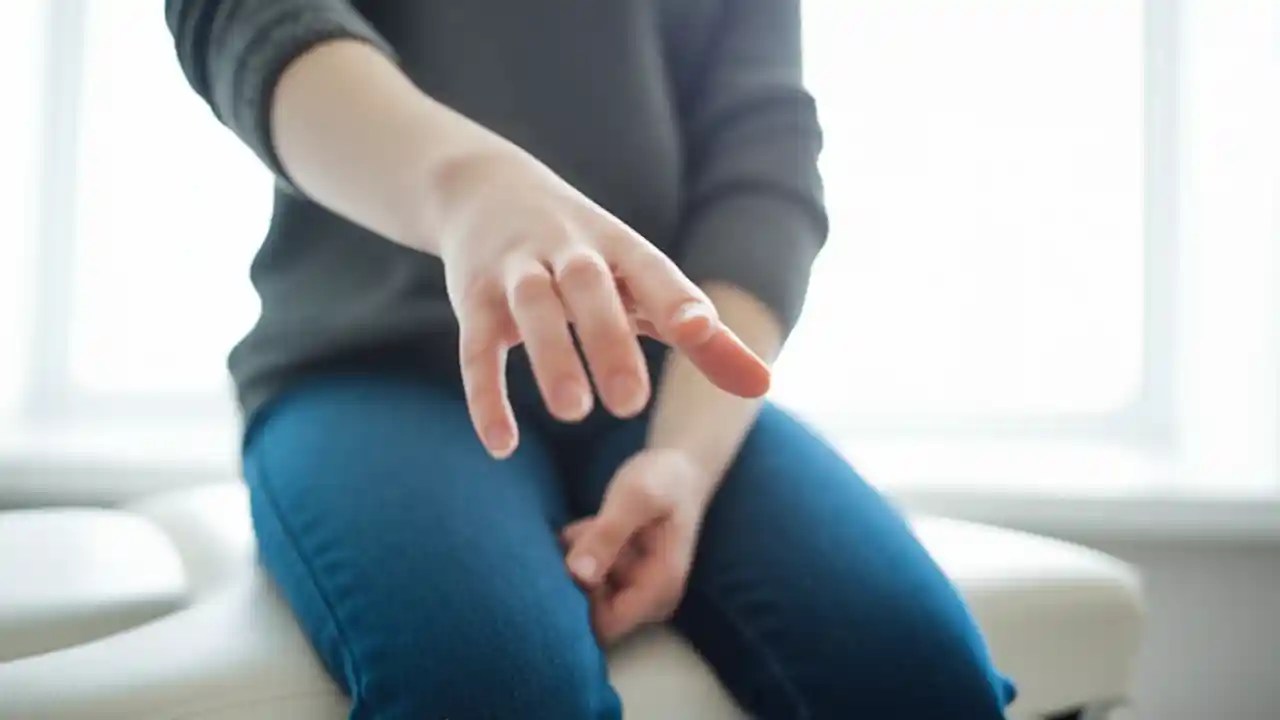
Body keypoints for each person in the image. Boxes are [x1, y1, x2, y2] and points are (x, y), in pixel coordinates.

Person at [166, 2, 1014, 718]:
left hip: (658, 378)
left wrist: (684, 458)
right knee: (494, 686)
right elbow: (252, 18)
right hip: (372, 369)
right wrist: (466, 190)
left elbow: (761, 161)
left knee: (912, 667)